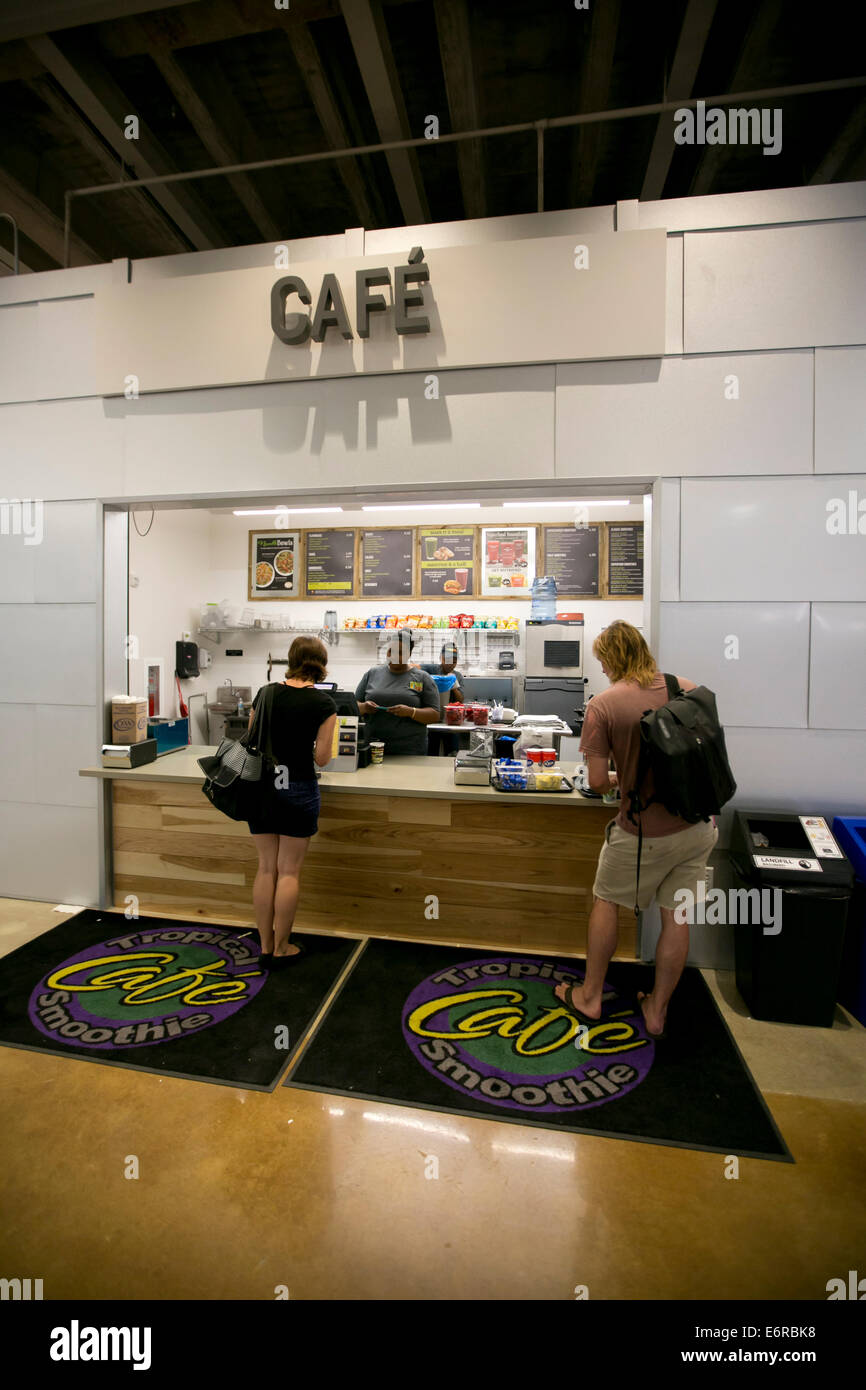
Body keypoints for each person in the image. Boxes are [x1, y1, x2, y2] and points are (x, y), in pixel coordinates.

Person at [555, 621, 717, 1039]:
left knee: (606, 901)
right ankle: (657, 1010)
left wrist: (621, 777)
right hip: (699, 827)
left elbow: (594, 782)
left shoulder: (604, 705)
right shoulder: (686, 688)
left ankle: (590, 997)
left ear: (611, 659)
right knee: (676, 917)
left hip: (642, 833)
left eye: (603, 661)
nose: (603, 669)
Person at [246, 636, 337, 966]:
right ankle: (283, 947)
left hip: (262, 789)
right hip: (297, 787)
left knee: (266, 868)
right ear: (321, 664)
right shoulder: (324, 704)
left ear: (290, 660)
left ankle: (265, 946)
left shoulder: (266, 692)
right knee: (289, 873)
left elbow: (252, 737)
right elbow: (323, 758)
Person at [355, 630, 440, 755]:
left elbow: (434, 715)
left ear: (409, 654)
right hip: (374, 748)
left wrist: (411, 712)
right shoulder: (372, 674)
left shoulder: (422, 678)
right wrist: (364, 707)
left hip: (410, 750)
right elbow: (353, 705)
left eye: (400, 653)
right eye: (391, 651)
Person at [419, 640, 465, 757]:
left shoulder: (458, 676)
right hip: (432, 719)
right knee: (431, 753)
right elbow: (415, 668)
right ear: (441, 658)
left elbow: (461, 700)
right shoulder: (432, 669)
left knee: (452, 754)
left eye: (454, 662)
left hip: (451, 722)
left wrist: (453, 685)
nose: (451, 664)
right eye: (447, 660)